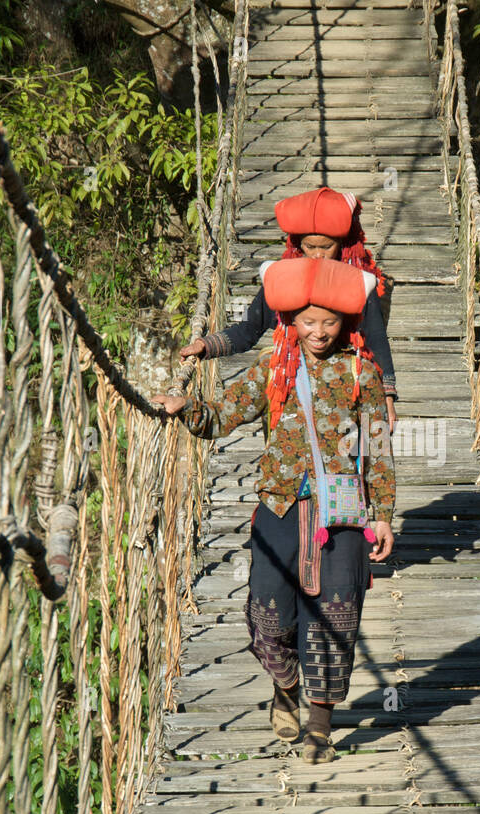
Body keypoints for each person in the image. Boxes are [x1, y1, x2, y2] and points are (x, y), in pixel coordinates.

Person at [153, 256, 395, 765]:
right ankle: (286, 687)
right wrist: (187, 407)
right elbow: (225, 415)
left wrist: (384, 515)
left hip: (345, 512)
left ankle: (320, 729)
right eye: (309, 321)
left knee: (337, 614)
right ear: (291, 320)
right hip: (279, 504)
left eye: (330, 322)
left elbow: (377, 444)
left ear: (346, 322)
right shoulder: (273, 367)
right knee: (267, 613)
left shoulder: (361, 372)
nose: (320, 332)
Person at [180, 186, 398, 431]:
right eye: (309, 246)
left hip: (344, 383)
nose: (317, 255)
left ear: (342, 242)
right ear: (297, 243)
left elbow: (376, 338)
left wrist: (386, 396)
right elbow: (250, 329)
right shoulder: (284, 280)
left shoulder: (356, 281)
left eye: (326, 247)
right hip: (291, 378)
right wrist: (206, 345)